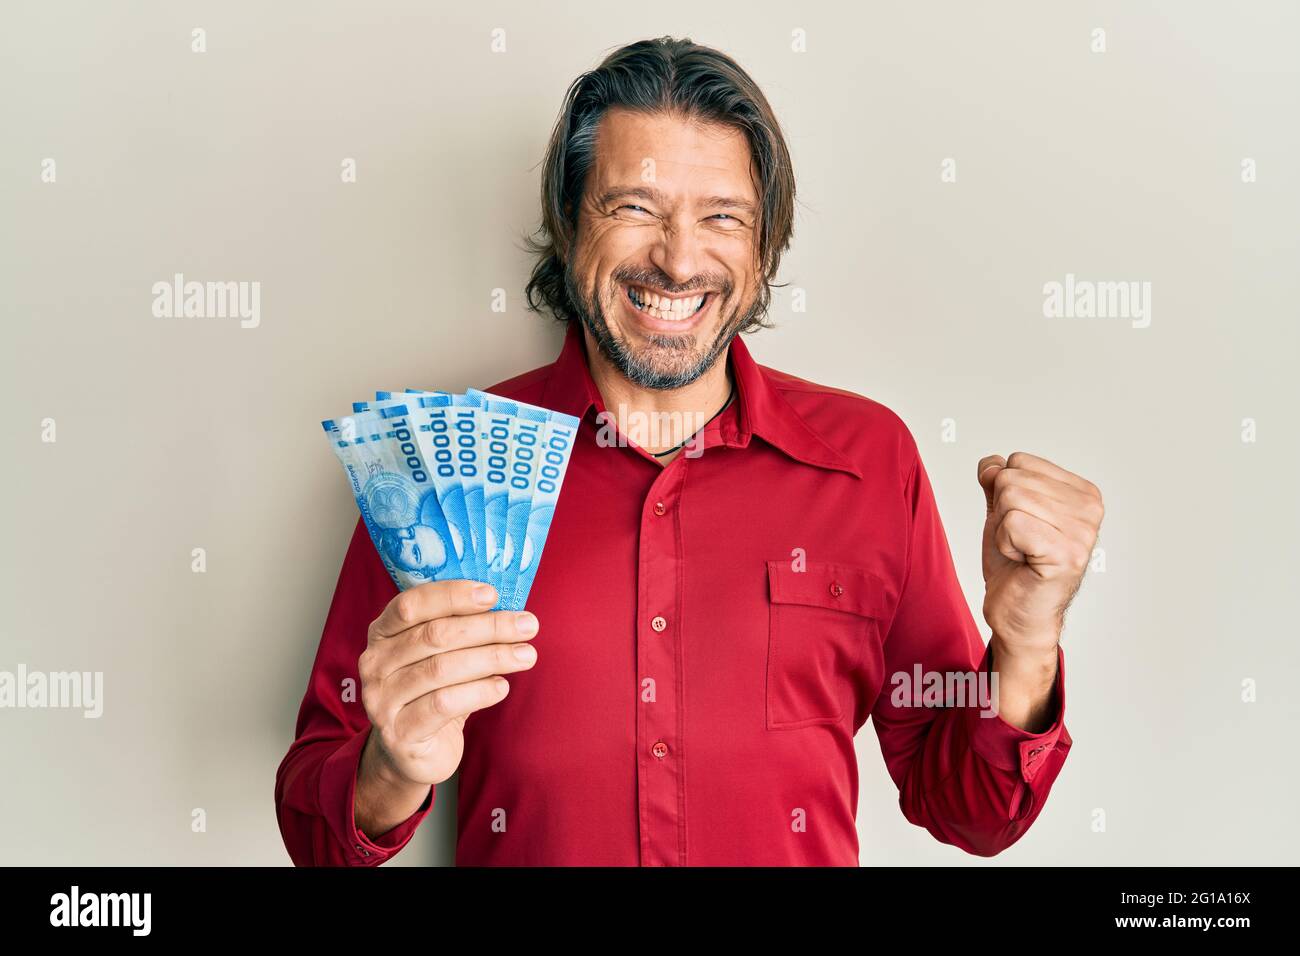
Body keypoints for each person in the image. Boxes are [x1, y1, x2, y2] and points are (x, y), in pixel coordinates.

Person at [276, 36, 1103, 866]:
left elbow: (971, 811)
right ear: (569, 226)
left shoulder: (869, 461)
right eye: (633, 207)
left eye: (721, 217)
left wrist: (1027, 642)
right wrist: (392, 768)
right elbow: (317, 833)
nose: (677, 259)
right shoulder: (447, 463)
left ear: (763, 244)